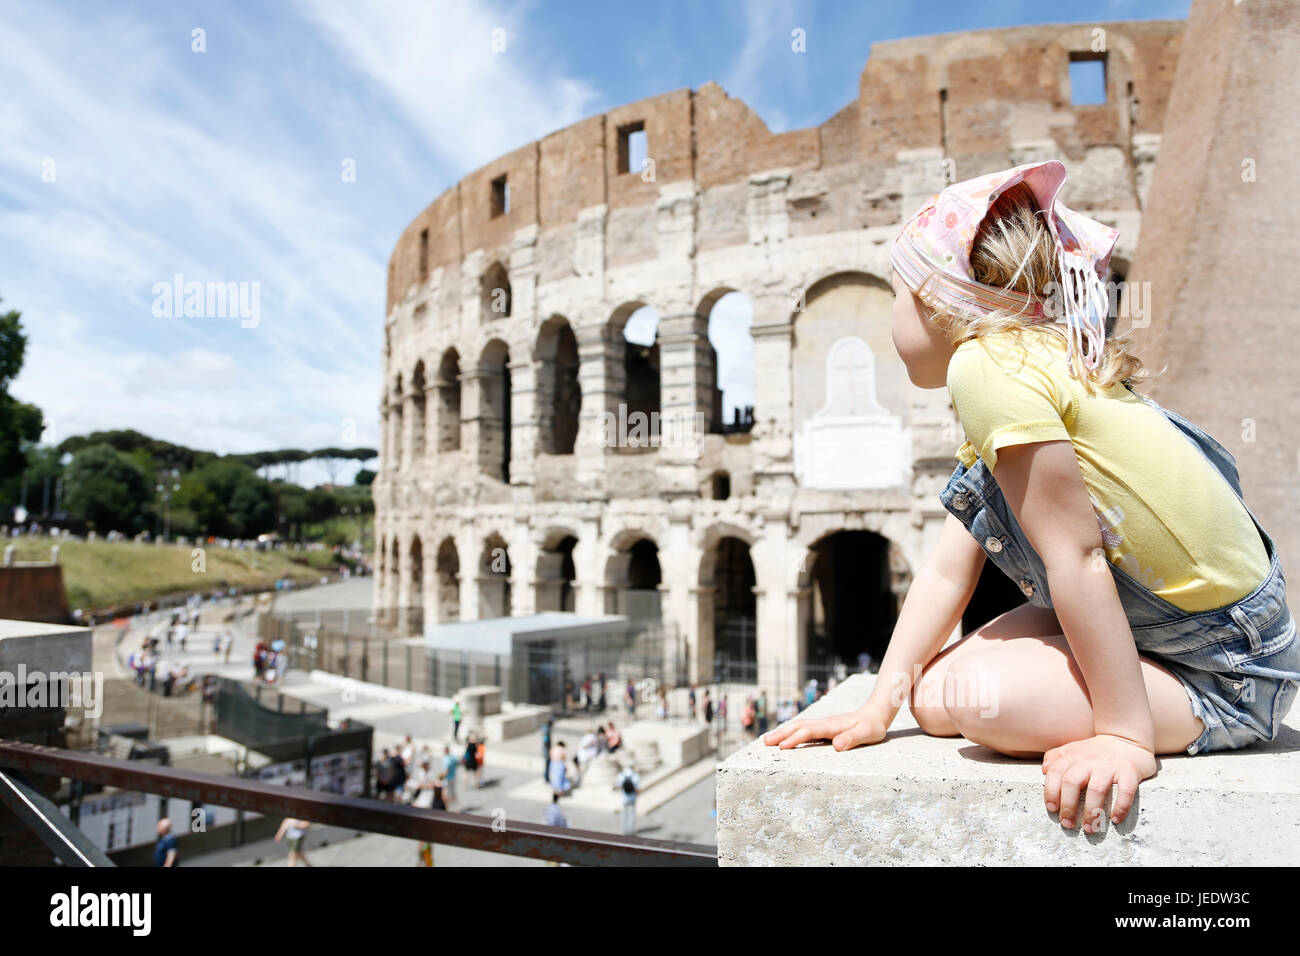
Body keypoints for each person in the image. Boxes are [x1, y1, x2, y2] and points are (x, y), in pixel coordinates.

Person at [765, 159, 1300, 836]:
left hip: (1229, 669)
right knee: (928, 702)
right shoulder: (1030, 357)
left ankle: (1156, 710)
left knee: (967, 698)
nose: (891, 320)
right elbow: (945, 572)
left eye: (896, 296)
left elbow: (1075, 558)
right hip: (1180, 631)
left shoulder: (985, 368)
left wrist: (1124, 738)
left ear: (940, 299)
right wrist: (880, 705)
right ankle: (1124, 692)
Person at [613, 761, 640, 836]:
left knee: (624, 814)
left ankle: (624, 830)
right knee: (632, 814)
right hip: (632, 798)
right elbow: (637, 789)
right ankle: (630, 830)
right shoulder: (636, 775)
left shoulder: (621, 775)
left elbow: (618, 786)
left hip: (624, 798)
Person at [441, 745, 459, 809]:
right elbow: (457, 763)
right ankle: (457, 807)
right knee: (453, 793)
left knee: (445, 795)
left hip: (448, 779)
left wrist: (440, 777)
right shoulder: (452, 757)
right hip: (453, 777)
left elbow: (446, 771)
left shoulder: (446, 760)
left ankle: (448, 808)